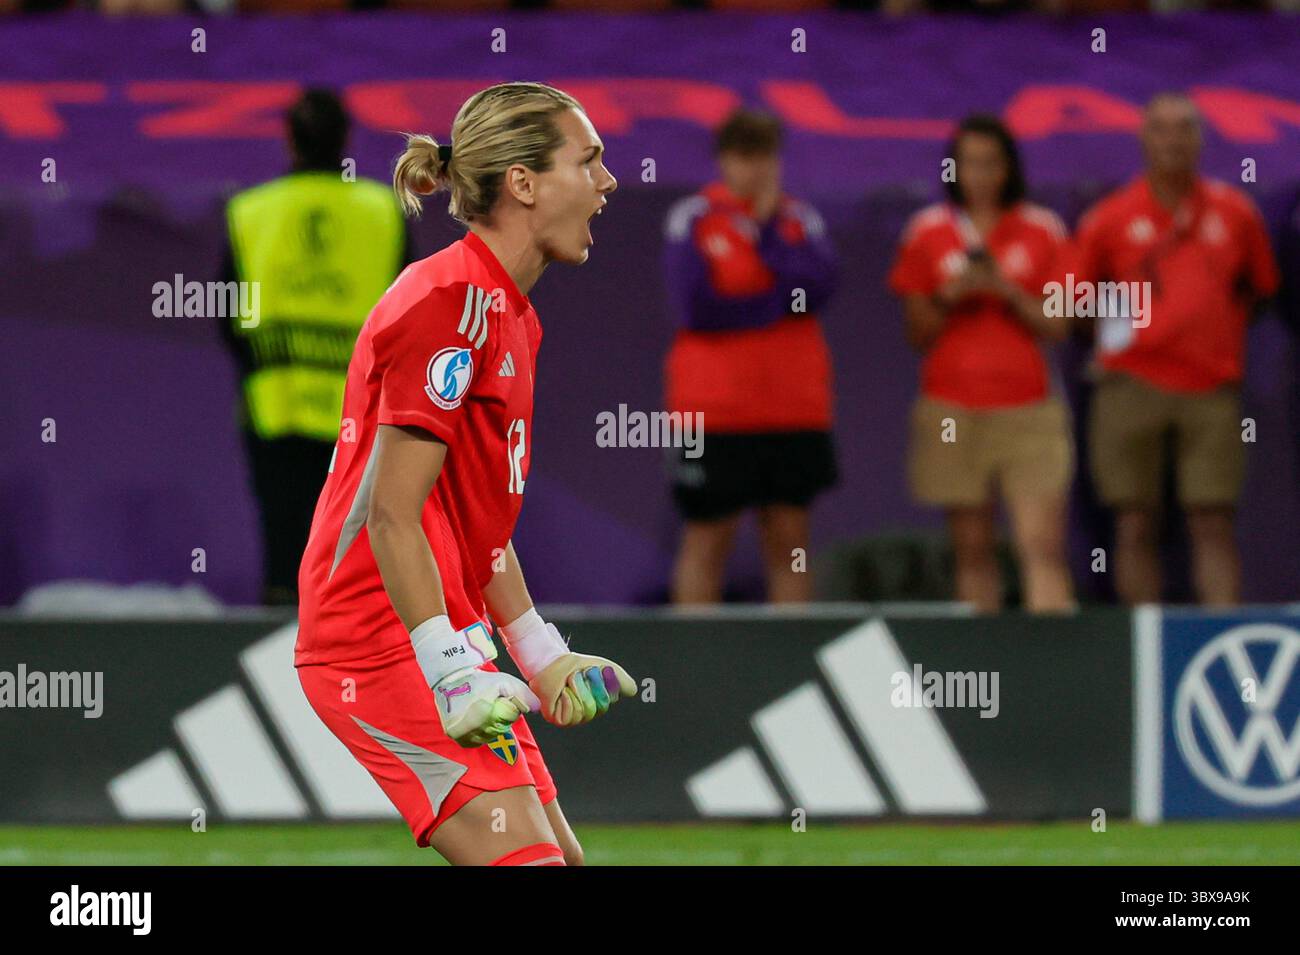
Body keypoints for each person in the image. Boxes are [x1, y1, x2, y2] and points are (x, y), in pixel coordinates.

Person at [294, 83, 632, 866]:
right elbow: (391, 516)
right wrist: (448, 670)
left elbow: (476, 525)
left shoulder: (510, 312)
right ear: (523, 183)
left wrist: (539, 654)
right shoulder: (446, 302)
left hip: (443, 636)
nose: (608, 183)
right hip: (379, 642)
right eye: (589, 162)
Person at [1072, 92, 1279, 606]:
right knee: (1134, 518)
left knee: (1212, 517)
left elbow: (1259, 290)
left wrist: (1210, 330)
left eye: (1184, 128)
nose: (1174, 140)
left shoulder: (1236, 212)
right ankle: (1144, 642)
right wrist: (1122, 333)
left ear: (1200, 140)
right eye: (1161, 129)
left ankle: (1220, 634)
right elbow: (1076, 303)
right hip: (1129, 385)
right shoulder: (1110, 218)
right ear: (1143, 139)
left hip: (1210, 387)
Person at [221, 89, 412, 606]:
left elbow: (226, 314)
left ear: (288, 139)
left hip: (274, 405)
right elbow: (412, 313)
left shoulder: (250, 211)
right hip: (361, 414)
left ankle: (284, 648)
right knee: (354, 554)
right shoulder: (382, 211)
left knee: (285, 548)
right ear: (346, 141)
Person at [889, 115, 1075, 613]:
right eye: (969, 162)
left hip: (1029, 409)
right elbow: (916, 333)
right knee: (972, 550)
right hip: (952, 410)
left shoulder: (1044, 228)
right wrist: (950, 295)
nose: (980, 174)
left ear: (1008, 168)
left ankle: (1057, 675)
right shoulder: (927, 231)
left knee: (1041, 546)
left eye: (991, 163)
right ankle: (984, 677)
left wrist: (1008, 292)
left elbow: (1060, 325)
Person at [662, 109, 839, 605]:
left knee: (790, 541)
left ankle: (795, 670)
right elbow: (698, 309)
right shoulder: (694, 217)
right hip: (716, 412)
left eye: (763, 156)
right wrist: (776, 307)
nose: (754, 170)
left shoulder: (798, 219)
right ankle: (692, 668)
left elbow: (818, 289)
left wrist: (765, 232)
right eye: (743, 156)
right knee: (707, 537)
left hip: (793, 408)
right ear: (723, 160)